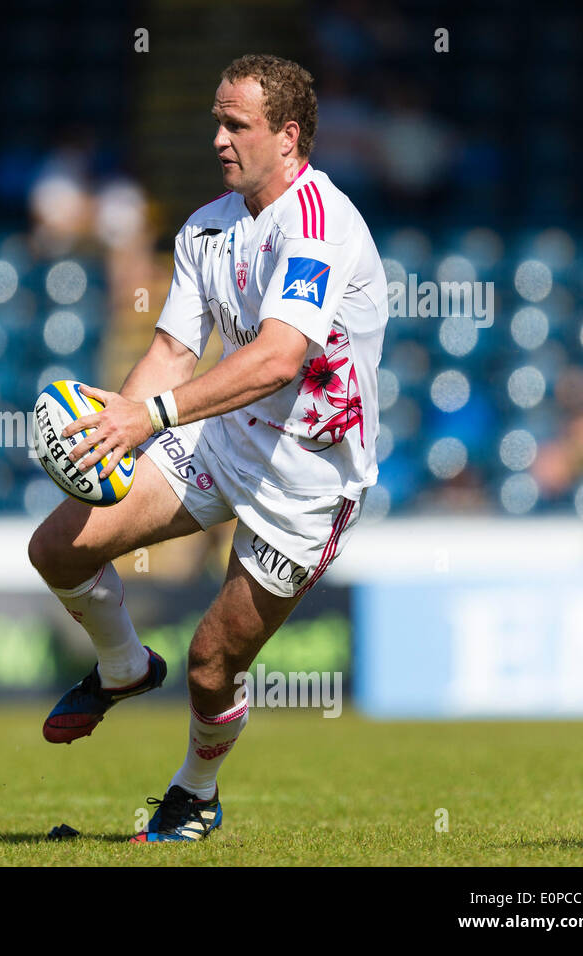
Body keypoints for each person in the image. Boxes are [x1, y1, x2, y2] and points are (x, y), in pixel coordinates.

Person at [28, 55, 388, 842]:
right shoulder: (205, 228)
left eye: (237, 125)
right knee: (56, 547)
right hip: (222, 443)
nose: (218, 138)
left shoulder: (318, 225)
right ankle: (123, 667)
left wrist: (149, 415)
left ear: (288, 137)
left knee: (209, 665)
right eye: (216, 122)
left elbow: (277, 357)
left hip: (308, 483)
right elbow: (171, 352)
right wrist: (113, 426)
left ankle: (195, 793)